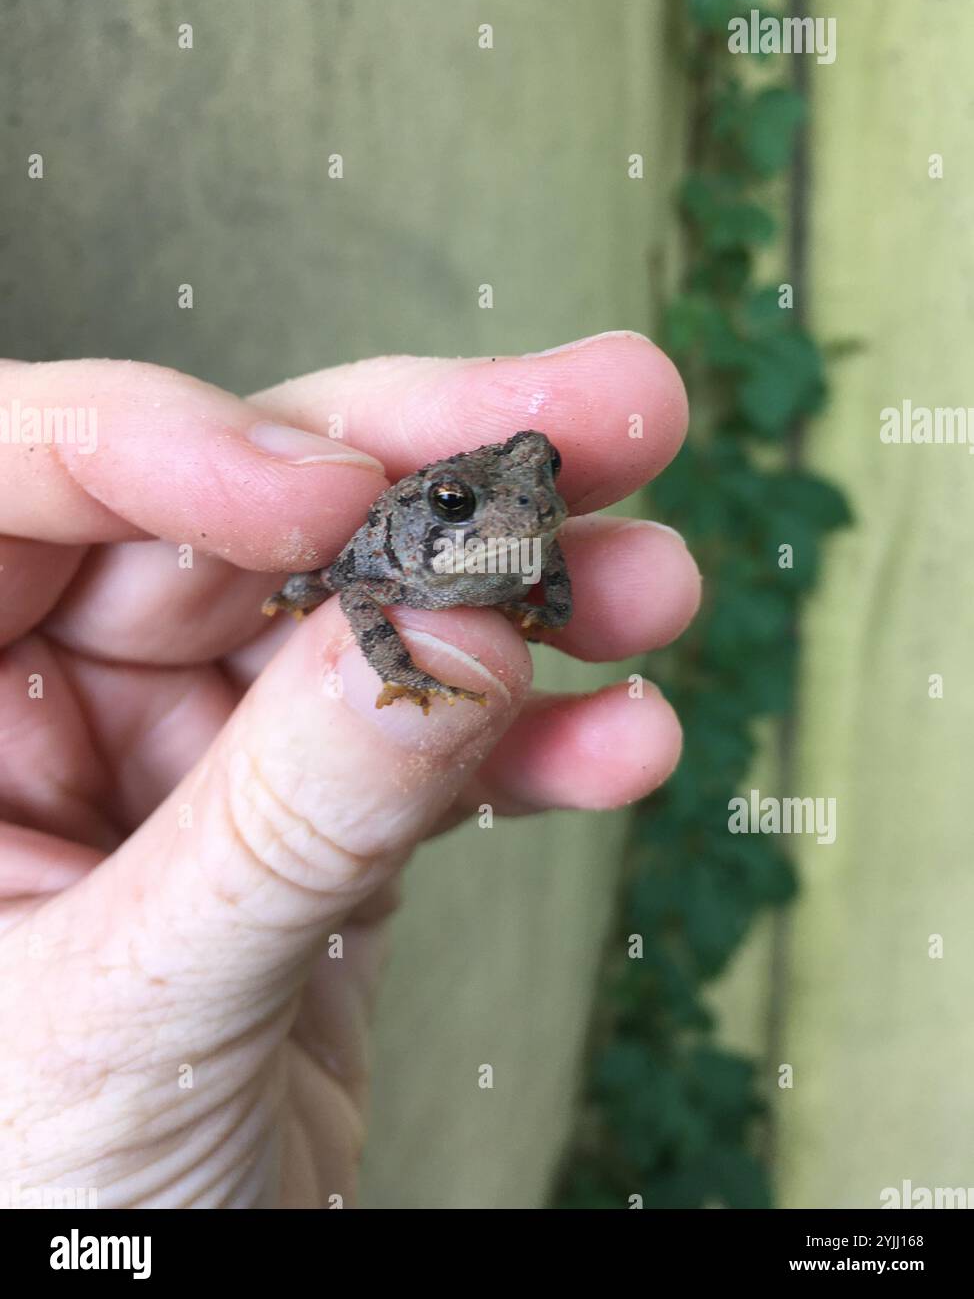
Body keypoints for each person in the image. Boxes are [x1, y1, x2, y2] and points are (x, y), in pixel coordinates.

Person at [0, 331, 700, 1207]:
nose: (529, 499)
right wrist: (400, 675)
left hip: (478, 578)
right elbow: (358, 590)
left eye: (542, 469)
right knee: (310, 577)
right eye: (455, 499)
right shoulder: (393, 547)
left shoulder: (525, 525)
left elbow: (546, 565)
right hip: (402, 568)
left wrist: (537, 588)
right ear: (431, 506)